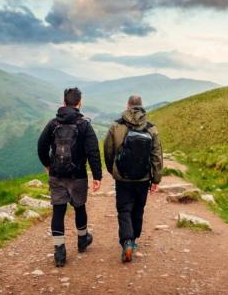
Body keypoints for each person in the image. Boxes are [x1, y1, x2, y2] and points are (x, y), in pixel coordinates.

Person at [38, 87, 102, 267]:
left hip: (56, 175)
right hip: (78, 175)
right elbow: (93, 152)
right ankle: (82, 241)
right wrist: (97, 176)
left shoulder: (53, 124)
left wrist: (48, 165)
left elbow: (41, 146)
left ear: (63, 102)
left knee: (58, 211)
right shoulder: (84, 125)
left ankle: (59, 252)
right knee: (79, 208)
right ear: (79, 103)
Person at [104, 95, 163, 263]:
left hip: (122, 178)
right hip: (143, 178)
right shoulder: (151, 128)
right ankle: (134, 240)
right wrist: (156, 179)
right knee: (138, 209)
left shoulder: (116, 126)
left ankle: (127, 241)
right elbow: (156, 156)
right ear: (141, 107)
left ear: (128, 106)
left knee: (124, 209)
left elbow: (108, 151)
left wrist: (113, 170)